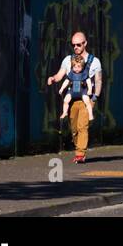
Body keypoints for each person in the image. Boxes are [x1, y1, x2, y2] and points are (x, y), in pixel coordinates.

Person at [47, 32, 102, 163]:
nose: (76, 47)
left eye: (78, 44)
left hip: (86, 98)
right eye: (73, 45)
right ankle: (79, 148)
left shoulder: (94, 62)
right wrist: (53, 78)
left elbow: (98, 80)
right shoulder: (68, 60)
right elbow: (61, 74)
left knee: (82, 125)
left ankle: (80, 153)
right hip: (72, 97)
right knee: (74, 127)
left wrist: (95, 97)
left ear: (85, 44)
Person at [57, 54, 95, 122]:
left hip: (82, 91)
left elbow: (88, 81)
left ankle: (91, 114)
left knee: (87, 101)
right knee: (66, 100)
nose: (76, 68)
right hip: (72, 91)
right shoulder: (71, 73)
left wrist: (89, 90)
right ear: (72, 66)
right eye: (74, 66)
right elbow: (66, 81)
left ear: (82, 67)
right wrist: (62, 88)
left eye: (78, 67)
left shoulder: (84, 73)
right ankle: (64, 112)